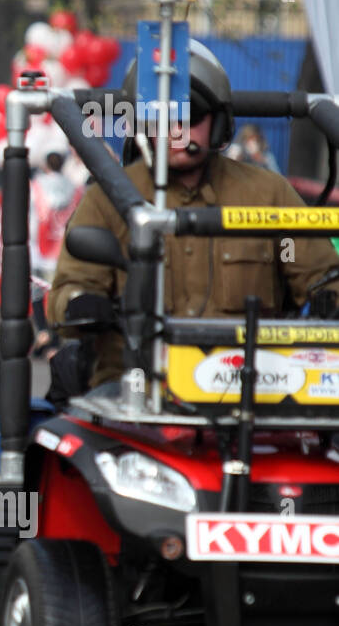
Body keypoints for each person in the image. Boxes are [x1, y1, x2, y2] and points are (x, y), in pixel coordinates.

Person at [47, 42, 339, 386]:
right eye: (161, 115)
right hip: (134, 397)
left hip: (250, 392)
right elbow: (67, 292)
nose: (176, 130)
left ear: (218, 123)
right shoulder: (107, 198)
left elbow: (323, 278)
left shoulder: (268, 194)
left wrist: (329, 303)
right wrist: (81, 303)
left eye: (190, 116)